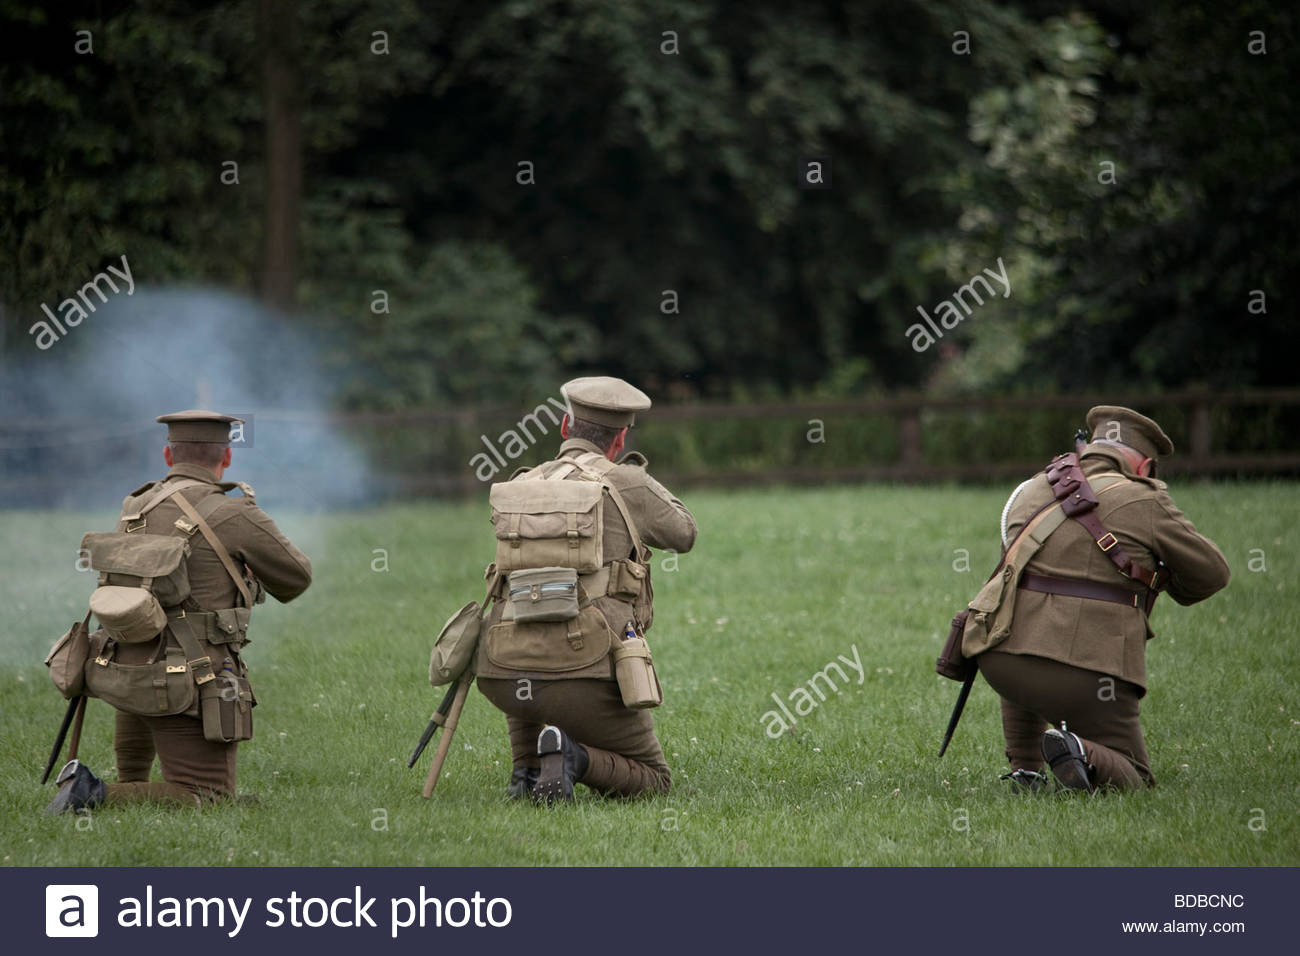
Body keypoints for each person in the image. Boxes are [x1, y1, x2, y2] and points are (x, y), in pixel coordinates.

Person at [47, 410, 312, 812]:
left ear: (169, 456)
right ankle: (91, 793)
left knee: (139, 780)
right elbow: (296, 578)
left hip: (124, 665)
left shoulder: (134, 505)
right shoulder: (234, 512)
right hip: (189, 677)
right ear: (226, 459)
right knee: (208, 797)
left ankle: (123, 788)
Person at [975, 405, 1230, 792]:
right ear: (1144, 466)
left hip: (998, 659)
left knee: (1026, 624)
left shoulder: (1029, 490)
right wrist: (1163, 578)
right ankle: (1077, 750)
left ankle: (1026, 769)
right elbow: (1212, 574)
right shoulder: (1144, 498)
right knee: (1133, 776)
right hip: (1086, 674)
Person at [475, 377, 697, 803]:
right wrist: (636, 478)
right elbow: (684, 532)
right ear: (621, 438)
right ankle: (572, 757)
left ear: (564, 427)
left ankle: (525, 769)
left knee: (526, 618)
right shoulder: (624, 481)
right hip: (584, 671)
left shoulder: (521, 484)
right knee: (654, 779)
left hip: (501, 671)